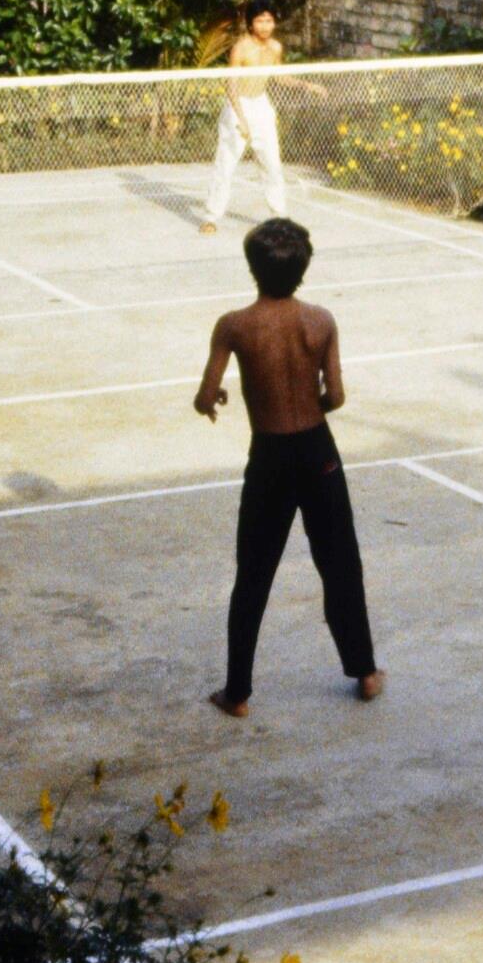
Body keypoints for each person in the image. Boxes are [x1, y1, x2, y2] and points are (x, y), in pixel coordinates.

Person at [194, 216, 382, 716]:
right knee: (340, 563)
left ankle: (237, 693)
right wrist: (311, 397)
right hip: (318, 452)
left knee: (253, 574)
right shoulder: (320, 321)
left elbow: (205, 396)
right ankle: (364, 671)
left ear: (253, 268)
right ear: (303, 269)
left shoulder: (234, 326)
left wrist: (216, 399)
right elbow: (336, 396)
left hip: (270, 458)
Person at [200, 5, 290, 234]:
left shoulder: (275, 47)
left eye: (269, 21)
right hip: (238, 105)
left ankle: (279, 216)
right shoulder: (241, 47)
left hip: (261, 104)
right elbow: (230, 84)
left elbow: (280, 78)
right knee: (226, 164)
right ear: (251, 23)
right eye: (260, 21)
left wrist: (307, 84)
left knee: (272, 164)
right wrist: (241, 119)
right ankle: (211, 217)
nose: (265, 26)